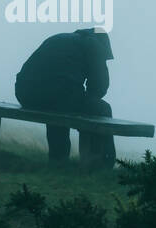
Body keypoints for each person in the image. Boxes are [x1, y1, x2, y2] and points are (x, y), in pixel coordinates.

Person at [14, 28, 116, 165]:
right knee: (101, 109)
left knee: (59, 105)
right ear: (105, 44)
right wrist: (87, 100)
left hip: (25, 93)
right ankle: (104, 163)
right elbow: (99, 86)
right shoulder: (94, 44)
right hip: (58, 96)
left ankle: (58, 160)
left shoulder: (60, 38)